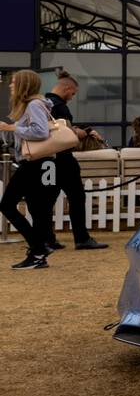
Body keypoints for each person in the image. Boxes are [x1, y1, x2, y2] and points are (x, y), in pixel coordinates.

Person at [0, 70, 59, 269]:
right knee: (37, 209)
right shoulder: (32, 105)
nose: (10, 85)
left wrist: (11, 128)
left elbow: (40, 132)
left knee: (7, 204)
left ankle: (38, 247)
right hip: (39, 163)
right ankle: (38, 251)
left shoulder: (33, 105)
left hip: (34, 163)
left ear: (24, 85)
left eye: (14, 82)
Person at [43, 73, 108, 251]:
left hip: (48, 159)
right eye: (72, 94)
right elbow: (69, 134)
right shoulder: (61, 107)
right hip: (64, 159)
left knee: (47, 200)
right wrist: (85, 132)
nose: (72, 98)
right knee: (77, 197)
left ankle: (47, 239)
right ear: (67, 89)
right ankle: (82, 238)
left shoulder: (44, 104)